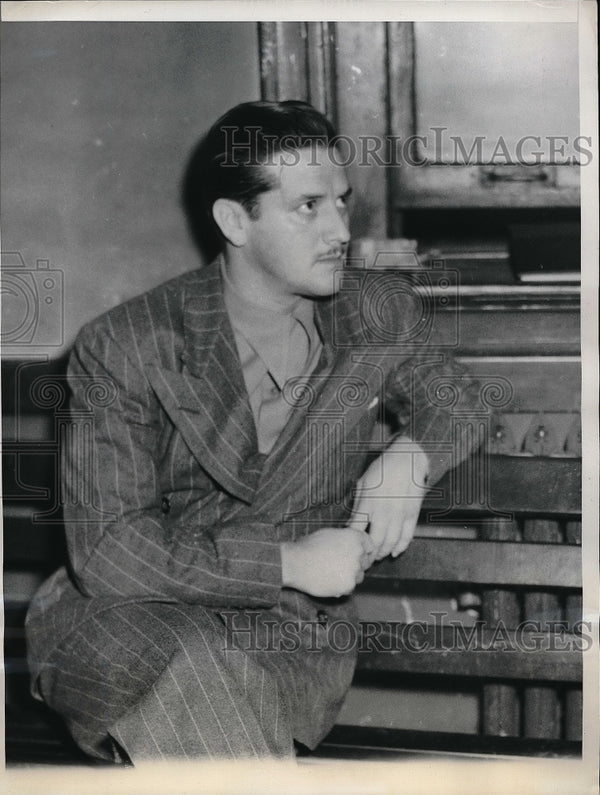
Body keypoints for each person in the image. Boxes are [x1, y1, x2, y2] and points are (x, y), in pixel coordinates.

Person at [26, 100, 480, 763]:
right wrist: (290, 562)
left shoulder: (376, 313)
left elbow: (461, 399)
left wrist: (412, 454)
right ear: (235, 220)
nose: (340, 229)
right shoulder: (128, 341)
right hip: (123, 623)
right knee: (187, 664)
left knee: (205, 686)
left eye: (343, 203)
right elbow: (111, 553)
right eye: (308, 207)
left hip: (282, 635)